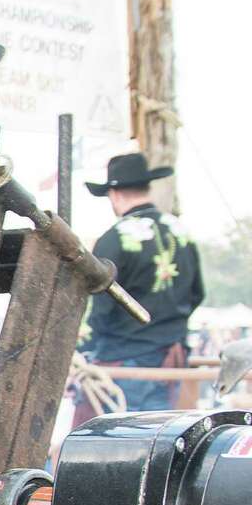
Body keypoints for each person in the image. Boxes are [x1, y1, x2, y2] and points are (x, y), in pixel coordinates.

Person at [76, 152, 205, 416]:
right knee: (162, 430)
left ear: (114, 195)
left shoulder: (113, 239)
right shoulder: (181, 233)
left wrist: (82, 350)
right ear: (147, 187)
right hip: (172, 359)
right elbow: (197, 294)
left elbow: (100, 310)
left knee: (119, 433)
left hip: (125, 361)